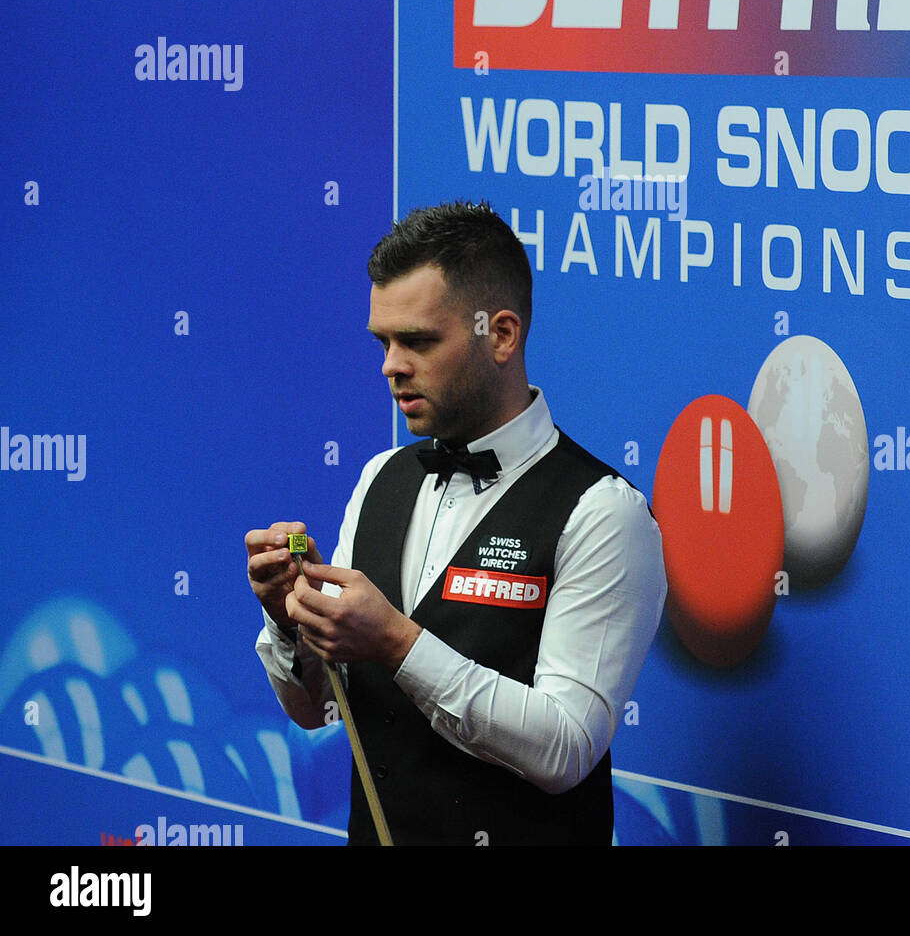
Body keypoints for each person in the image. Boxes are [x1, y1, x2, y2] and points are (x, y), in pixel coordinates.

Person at [245, 201, 665, 845]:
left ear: (500, 334)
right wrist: (289, 621)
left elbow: (566, 750)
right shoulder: (380, 477)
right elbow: (322, 711)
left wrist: (397, 643)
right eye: (382, 342)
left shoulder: (603, 512)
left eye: (417, 340)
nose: (390, 365)